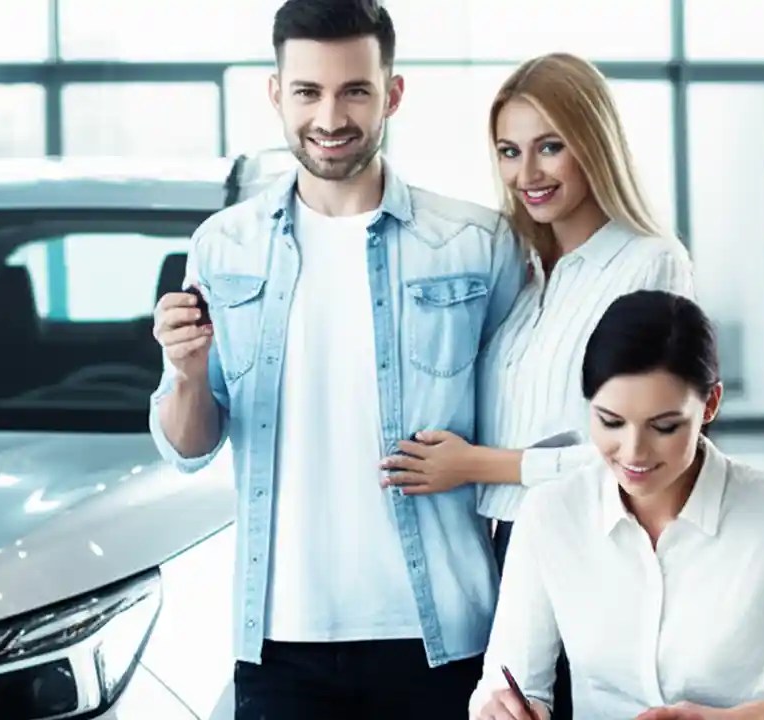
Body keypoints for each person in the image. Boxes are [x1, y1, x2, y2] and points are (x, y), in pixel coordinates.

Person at [147, 0, 524, 716]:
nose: (330, 117)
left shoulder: (477, 245)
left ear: (393, 93)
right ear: (275, 93)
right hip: (280, 642)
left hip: (443, 632)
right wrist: (189, 374)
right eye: (308, 92)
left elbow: (525, 443)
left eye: (355, 90)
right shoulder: (224, 246)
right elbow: (191, 447)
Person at [382, 51, 696, 718]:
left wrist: (476, 466)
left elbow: (642, 450)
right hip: (496, 548)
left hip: (589, 543)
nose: (527, 174)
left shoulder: (647, 262)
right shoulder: (519, 272)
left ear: (593, 143)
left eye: (549, 147)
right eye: (508, 151)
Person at [469, 289, 764, 720]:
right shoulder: (551, 513)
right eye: (610, 422)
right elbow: (506, 685)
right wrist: (502, 705)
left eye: (664, 426)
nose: (634, 452)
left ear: (710, 405)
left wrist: (745, 717)